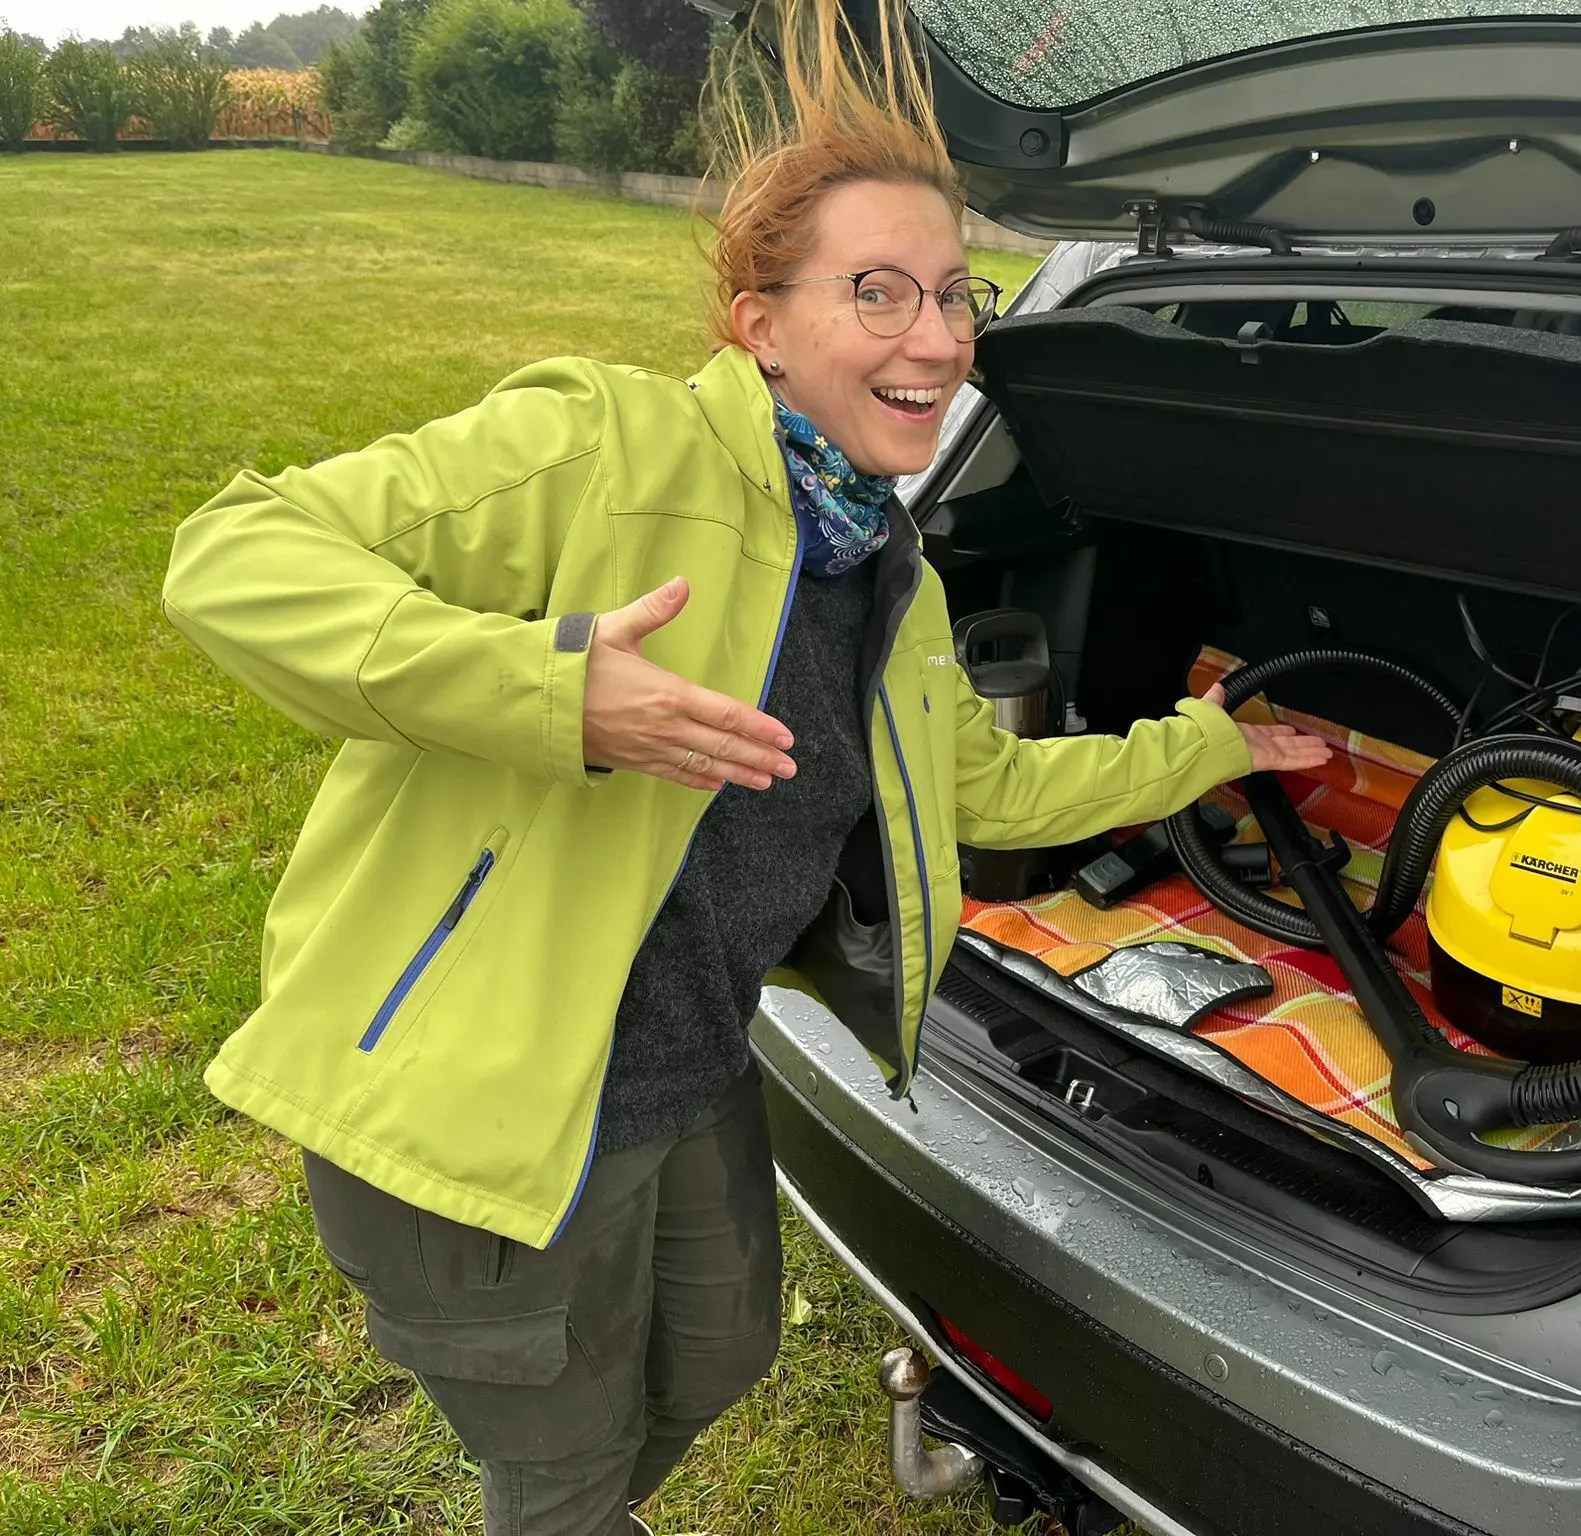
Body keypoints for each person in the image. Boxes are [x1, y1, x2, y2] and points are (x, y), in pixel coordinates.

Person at [158, 4, 1330, 1532]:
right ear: (758, 322)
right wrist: (550, 693)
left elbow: (985, 792)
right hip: (484, 1092)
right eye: (881, 293)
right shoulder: (607, 449)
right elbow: (235, 554)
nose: (938, 337)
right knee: (563, 1467)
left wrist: (1214, 747)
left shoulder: (886, 572)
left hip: (688, 1065)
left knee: (721, 1356)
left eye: (956, 295)